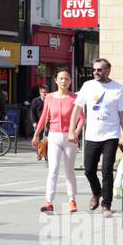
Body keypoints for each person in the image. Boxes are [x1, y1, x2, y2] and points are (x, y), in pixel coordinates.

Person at [71, 58, 123, 217]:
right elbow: (77, 109)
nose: (96, 72)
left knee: (107, 170)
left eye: (99, 70)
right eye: (94, 69)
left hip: (111, 135)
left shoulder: (118, 88)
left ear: (108, 70)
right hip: (91, 135)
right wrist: (72, 130)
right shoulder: (87, 86)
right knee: (89, 170)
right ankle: (96, 193)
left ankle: (106, 204)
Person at [34, 69, 78, 213]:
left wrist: (75, 132)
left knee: (69, 170)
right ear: (56, 81)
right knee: (53, 170)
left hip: (69, 137)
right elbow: (44, 117)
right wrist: (36, 134)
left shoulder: (75, 98)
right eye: (61, 78)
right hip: (54, 136)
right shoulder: (50, 97)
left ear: (70, 81)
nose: (64, 81)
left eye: (66, 78)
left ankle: (72, 200)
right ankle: (49, 201)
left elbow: (82, 118)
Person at [29, 85, 48, 151]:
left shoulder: (49, 100)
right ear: (40, 93)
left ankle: (46, 154)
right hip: (38, 122)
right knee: (38, 138)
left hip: (47, 122)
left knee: (47, 138)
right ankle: (40, 152)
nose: (45, 94)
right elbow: (32, 112)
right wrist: (34, 122)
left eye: (46, 92)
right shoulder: (36, 100)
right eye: (43, 92)